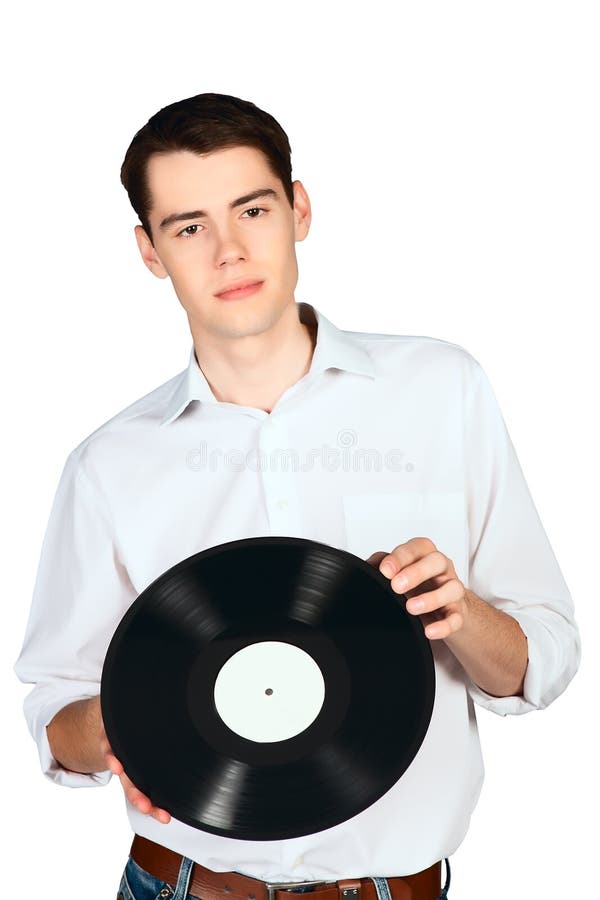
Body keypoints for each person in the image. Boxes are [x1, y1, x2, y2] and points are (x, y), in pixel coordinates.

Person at [14, 92, 580, 900]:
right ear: (149, 251)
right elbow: (57, 709)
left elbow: (543, 658)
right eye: (189, 226)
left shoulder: (442, 388)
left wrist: (465, 614)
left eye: (252, 209)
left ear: (299, 208)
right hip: (180, 886)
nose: (229, 250)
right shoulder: (107, 464)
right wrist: (114, 730)